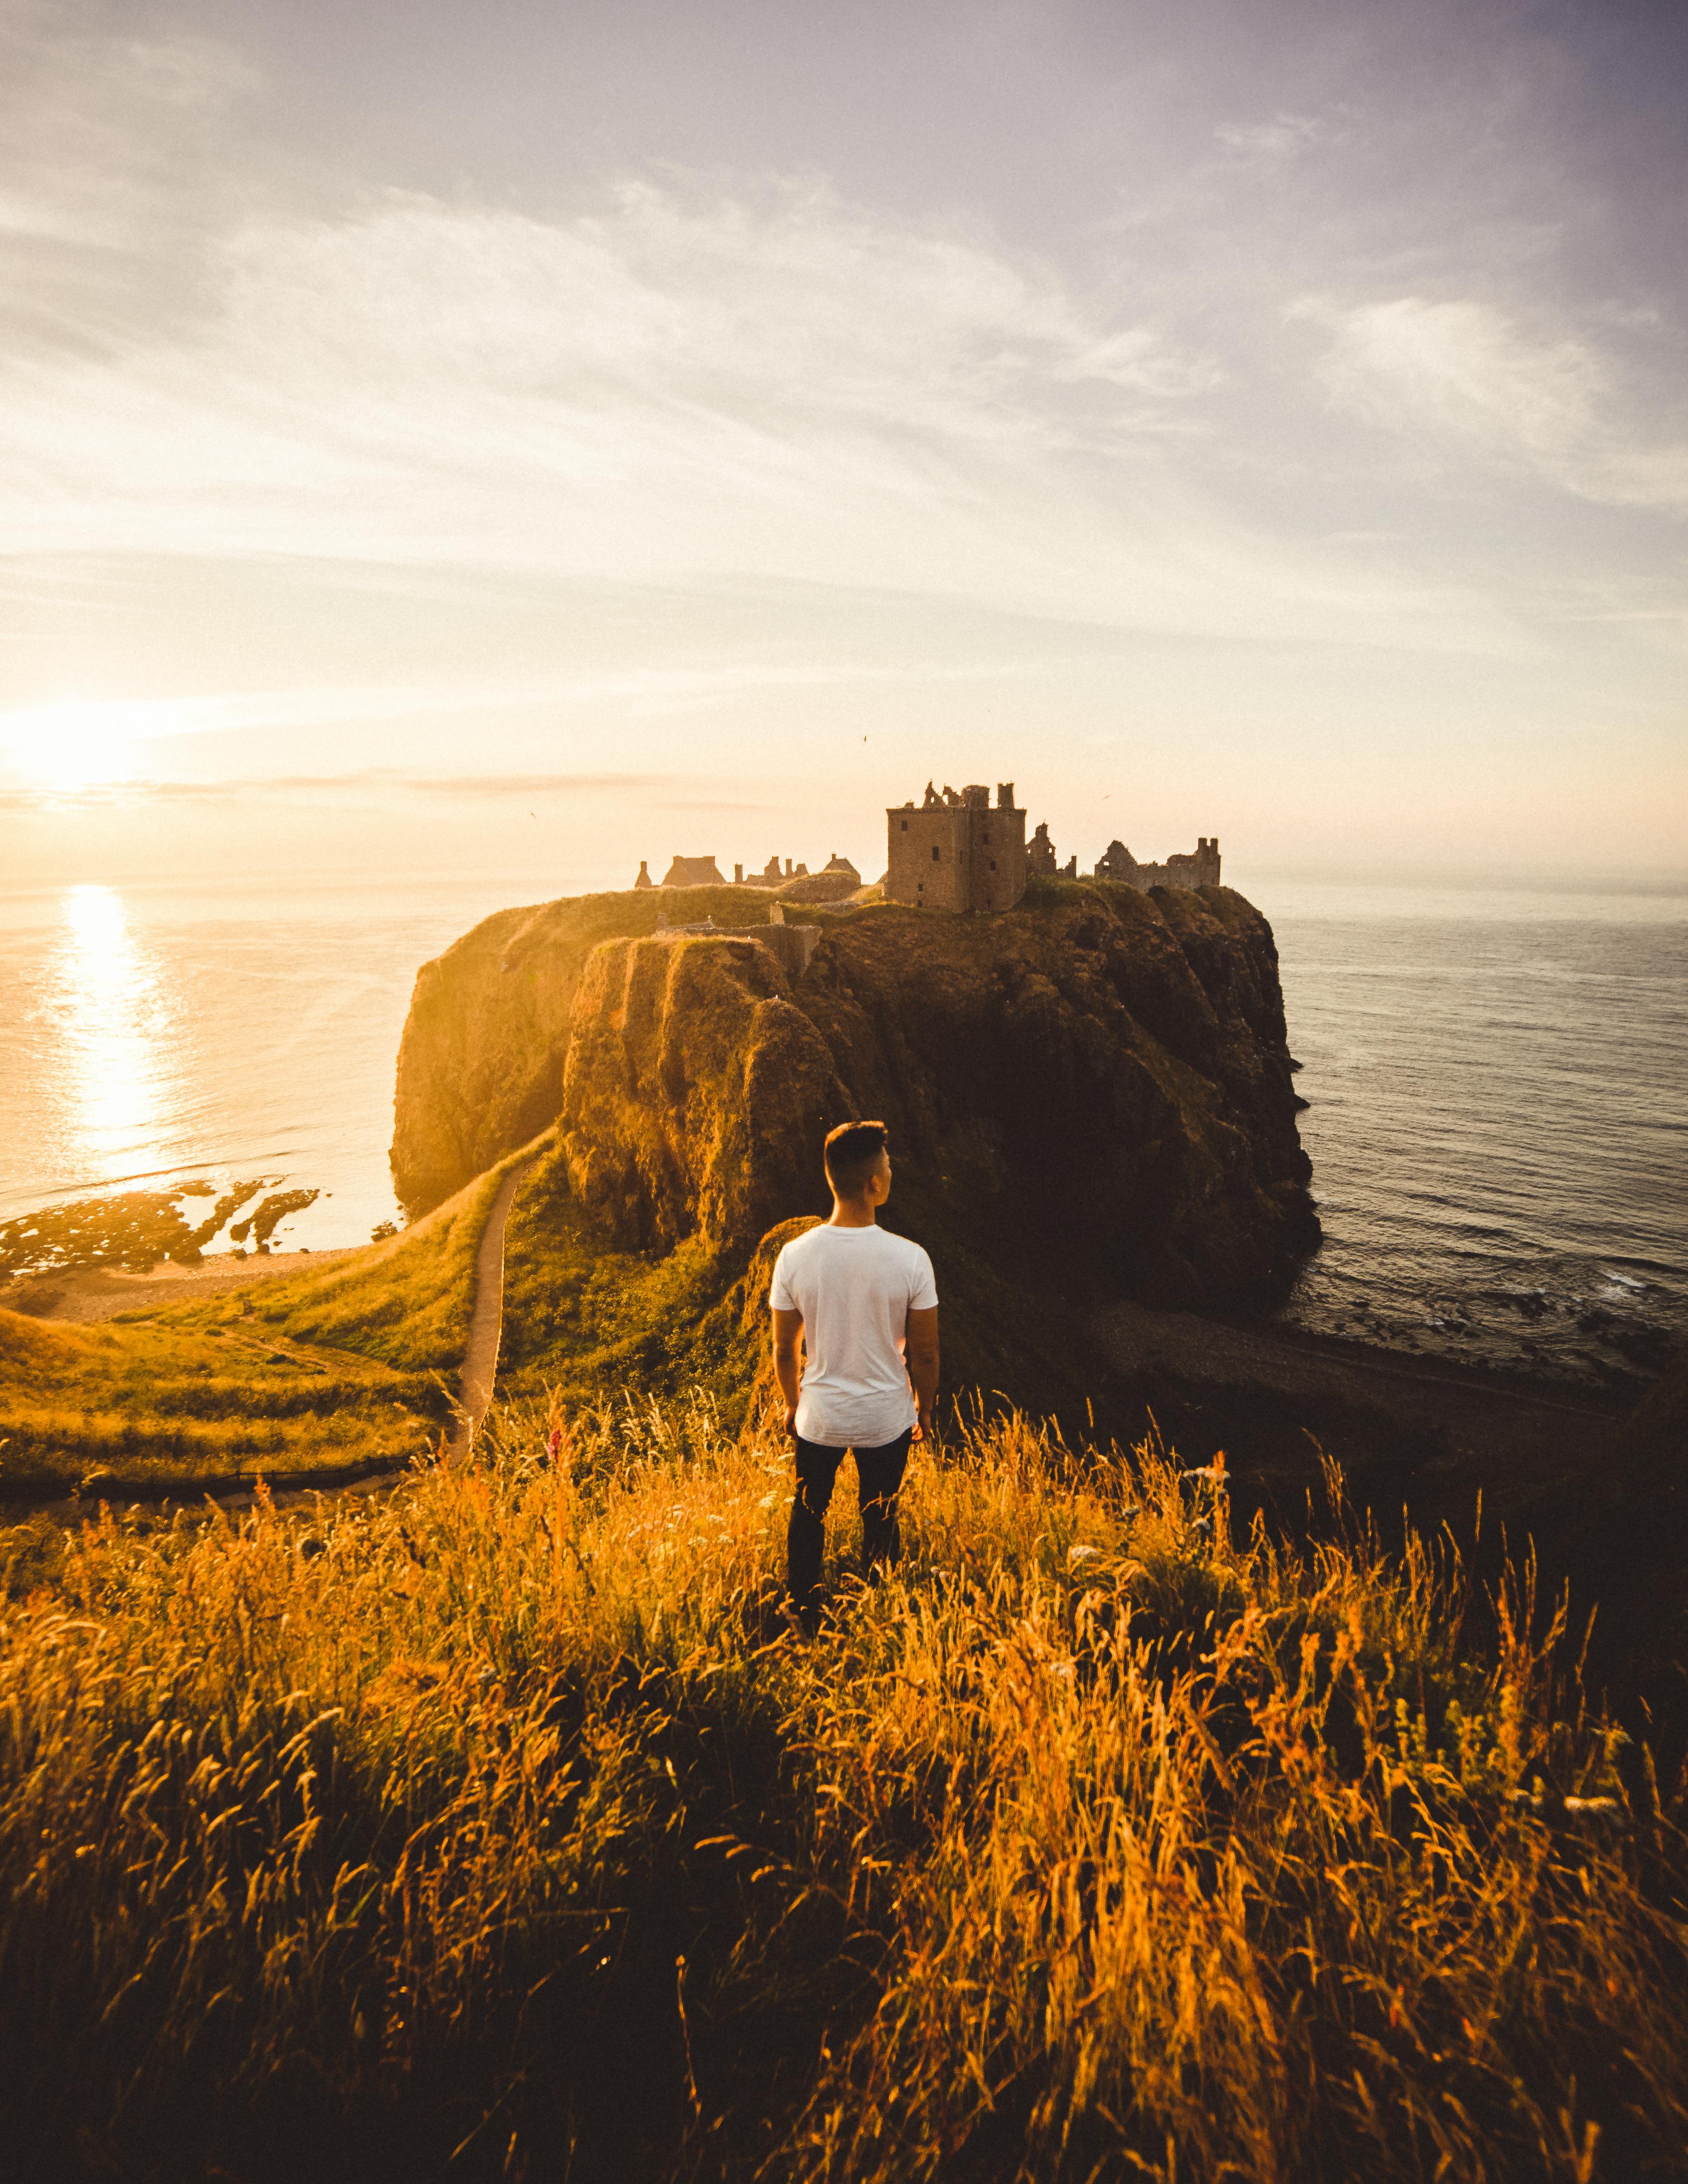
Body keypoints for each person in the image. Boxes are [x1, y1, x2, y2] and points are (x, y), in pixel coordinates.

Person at [770, 1119, 939, 1622]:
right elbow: (926, 1354)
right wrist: (923, 1409)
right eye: (887, 1165)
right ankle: (879, 1610)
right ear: (874, 1184)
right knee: (880, 1514)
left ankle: (803, 1609)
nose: (891, 1170)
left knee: (808, 1511)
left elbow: (784, 1348)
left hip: (819, 1417)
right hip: (886, 1417)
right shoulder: (911, 1259)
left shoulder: (793, 1256)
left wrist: (792, 1405)